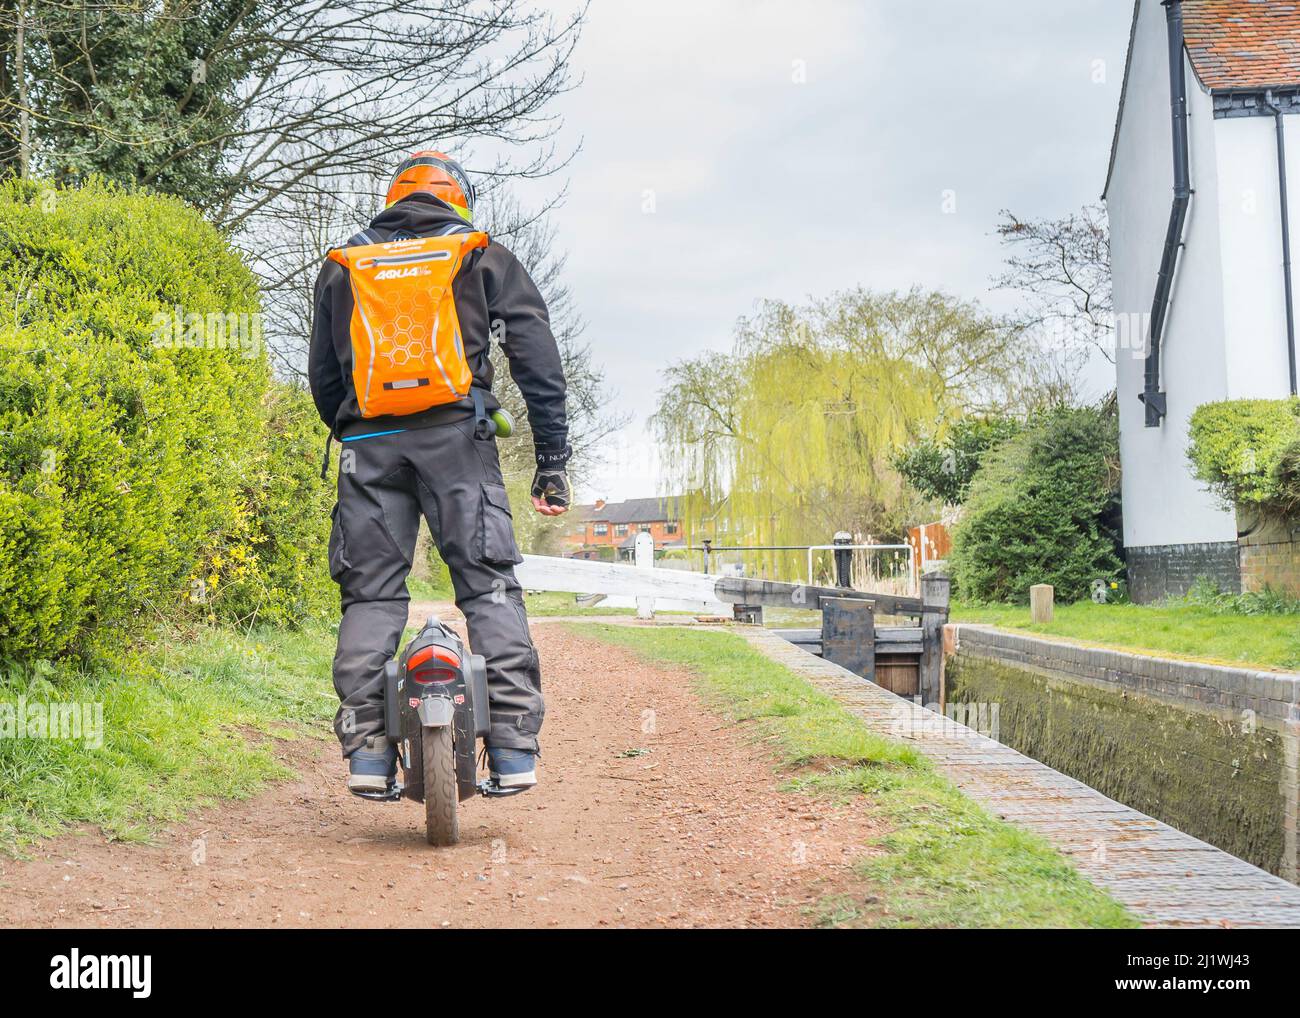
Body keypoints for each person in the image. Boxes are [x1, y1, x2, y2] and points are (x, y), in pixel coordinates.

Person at [308, 150, 571, 796]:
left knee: (370, 596)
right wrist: (552, 462)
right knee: (487, 589)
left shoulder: (346, 263)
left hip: (369, 443)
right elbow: (536, 356)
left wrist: (355, 429)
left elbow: (323, 378)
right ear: (459, 200)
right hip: (458, 438)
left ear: (394, 198)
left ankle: (368, 756)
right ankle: (512, 750)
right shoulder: (479, 252)